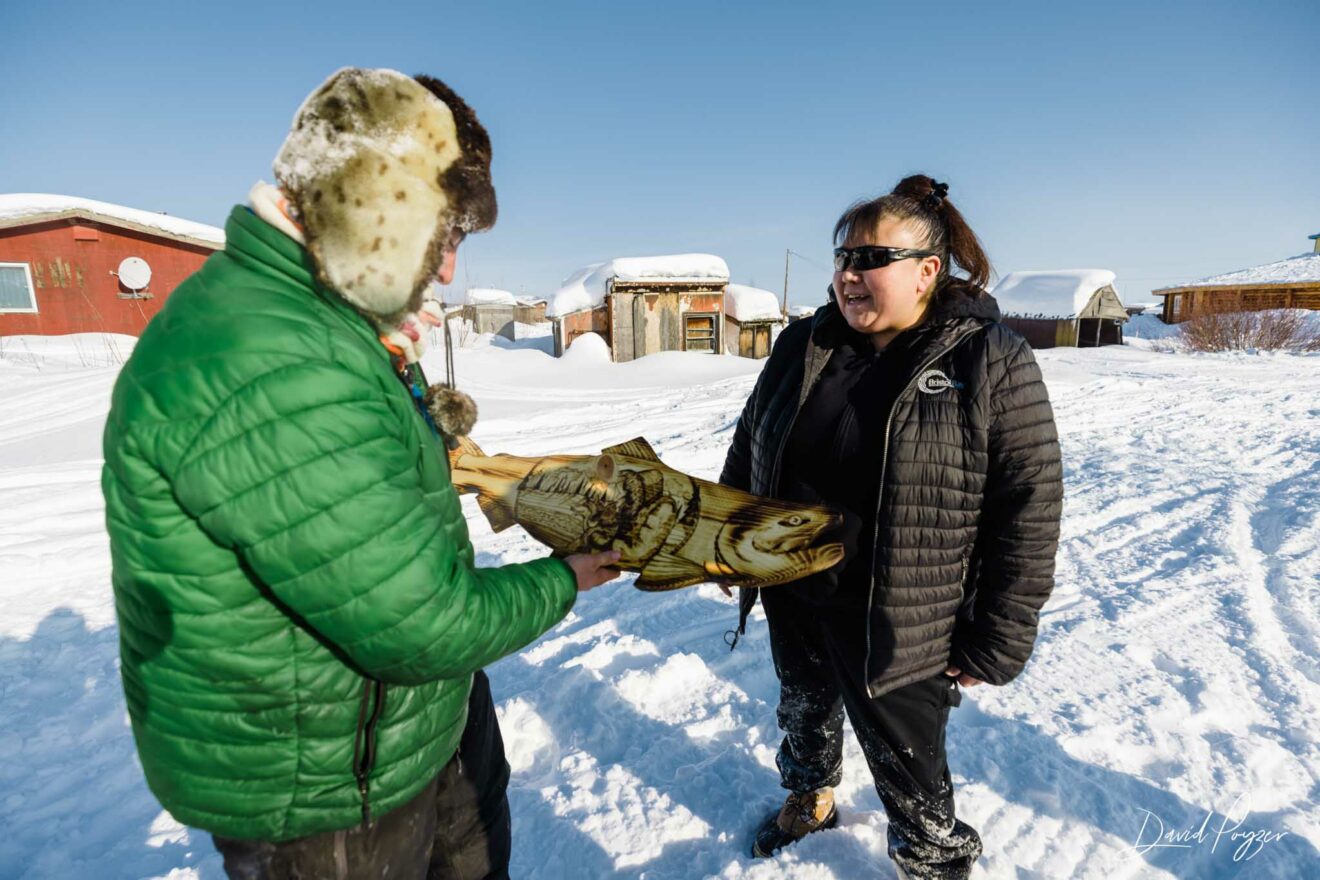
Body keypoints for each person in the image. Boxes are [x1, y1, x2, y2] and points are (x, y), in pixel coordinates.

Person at [102, 67, 622, 880]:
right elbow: (423, 626)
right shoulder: (274, 358)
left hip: (396, 732)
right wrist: (565, 578)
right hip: (326, 791)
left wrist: (418, 428)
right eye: (443, 237)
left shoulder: (328, 324)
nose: (448, 271)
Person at [719, 175, 1063, 879]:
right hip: (792, 581)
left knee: (907, 756)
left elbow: (1028, 505)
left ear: (927, 272)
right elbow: (752, 440)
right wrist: (725, 536)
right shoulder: (803, 345)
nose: (849, 274)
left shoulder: (987, 358)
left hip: (900, 610)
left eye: (872, 259)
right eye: (844, 257)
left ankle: (930, 854)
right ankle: (810, 795)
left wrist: (999, 631)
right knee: (804, 707)